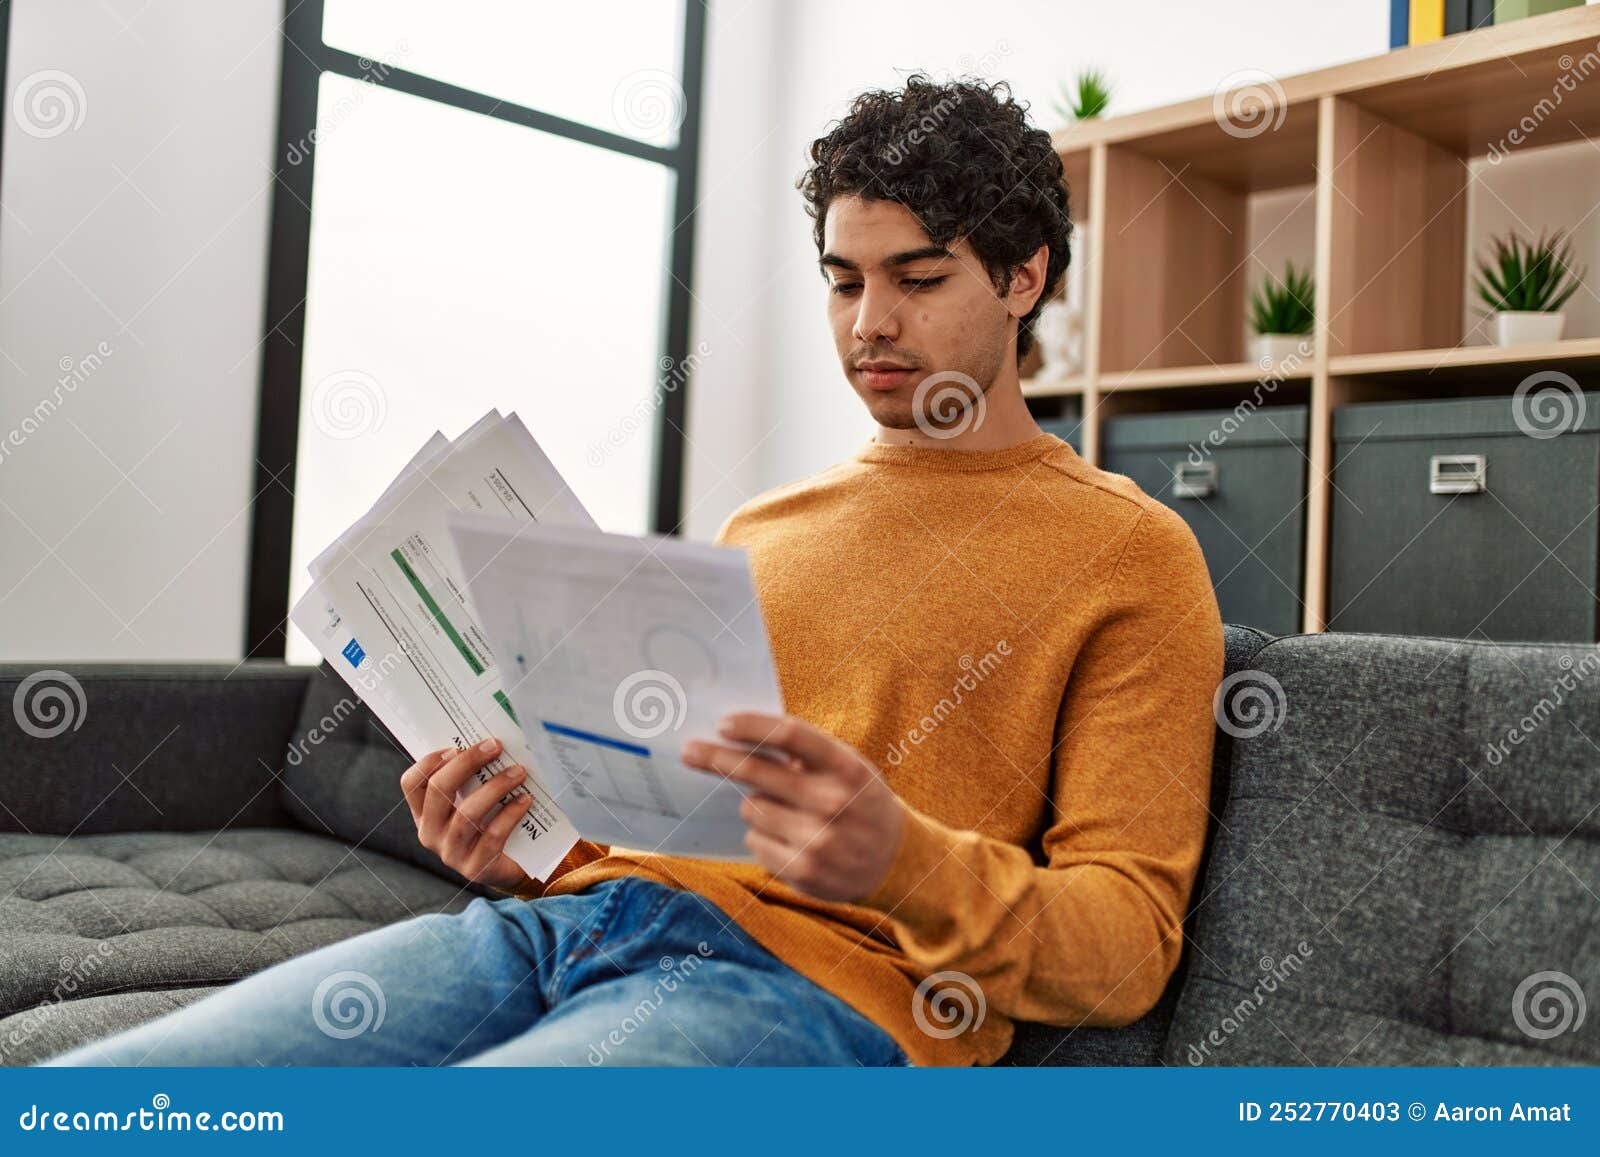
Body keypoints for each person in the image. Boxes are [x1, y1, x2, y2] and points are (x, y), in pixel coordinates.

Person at [41, 73, 1222, 1069]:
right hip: (559, 931)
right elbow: (667, 821)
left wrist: (903, 860)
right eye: (842, 279)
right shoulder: (767, 522)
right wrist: (521, 850)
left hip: (804, 996)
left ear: (1022, 278)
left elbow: (1126, 942)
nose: (868, 323)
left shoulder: (1129, 552)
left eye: (916, 280)